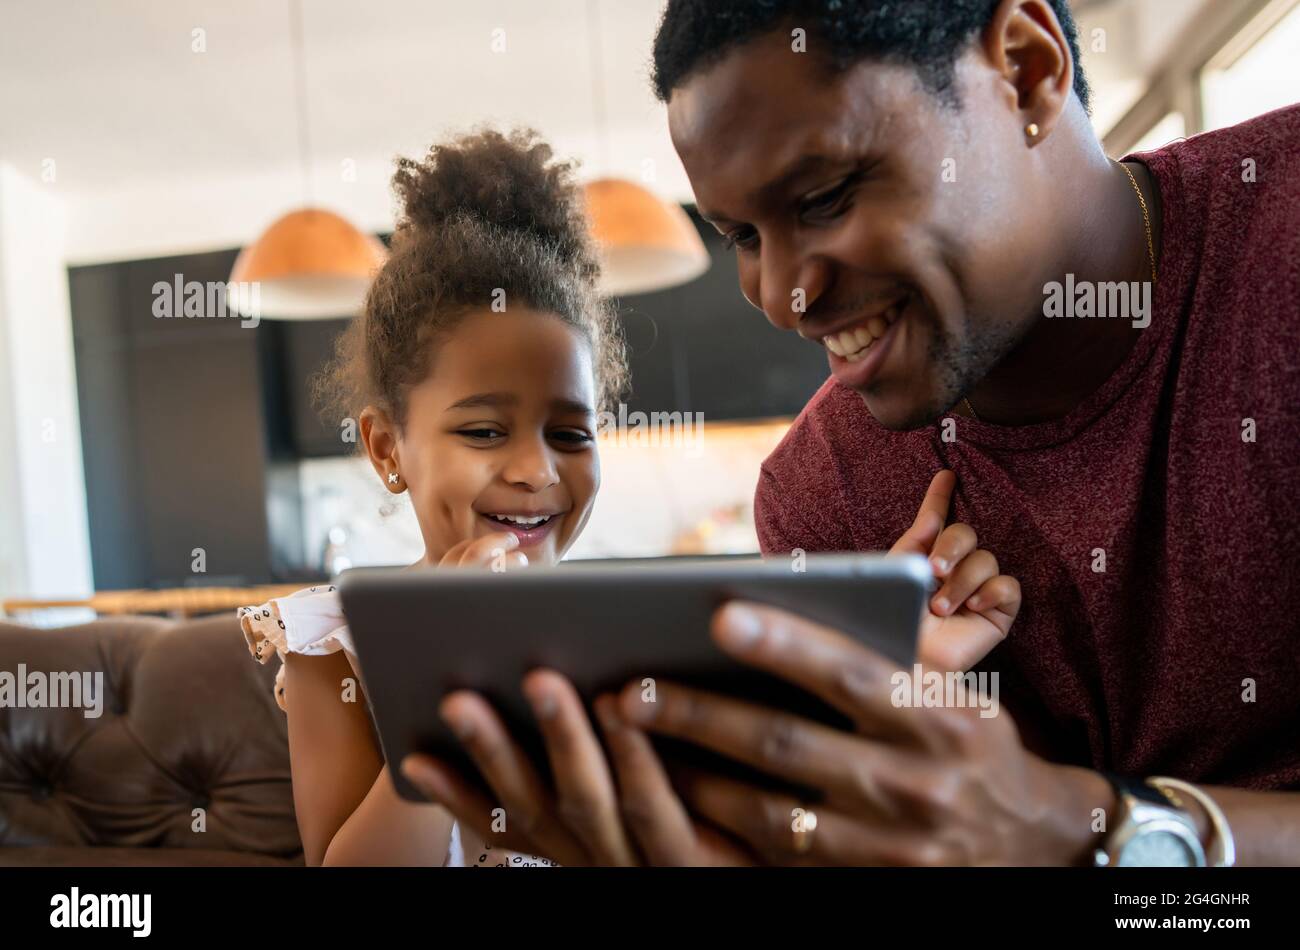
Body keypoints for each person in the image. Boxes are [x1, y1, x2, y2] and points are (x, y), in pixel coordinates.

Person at [406, 0, 1300, 865]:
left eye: (826, 197)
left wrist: (1096, 834)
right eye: (742, 237)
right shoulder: (824, 494)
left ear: (1025, 72)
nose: (783, 296)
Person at [239, 128, 629, 866]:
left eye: (572, 434)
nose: (535, 469)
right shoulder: (335, 643)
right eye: (484, 430)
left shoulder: (618, 631)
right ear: (389, 448)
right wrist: (452, 666)